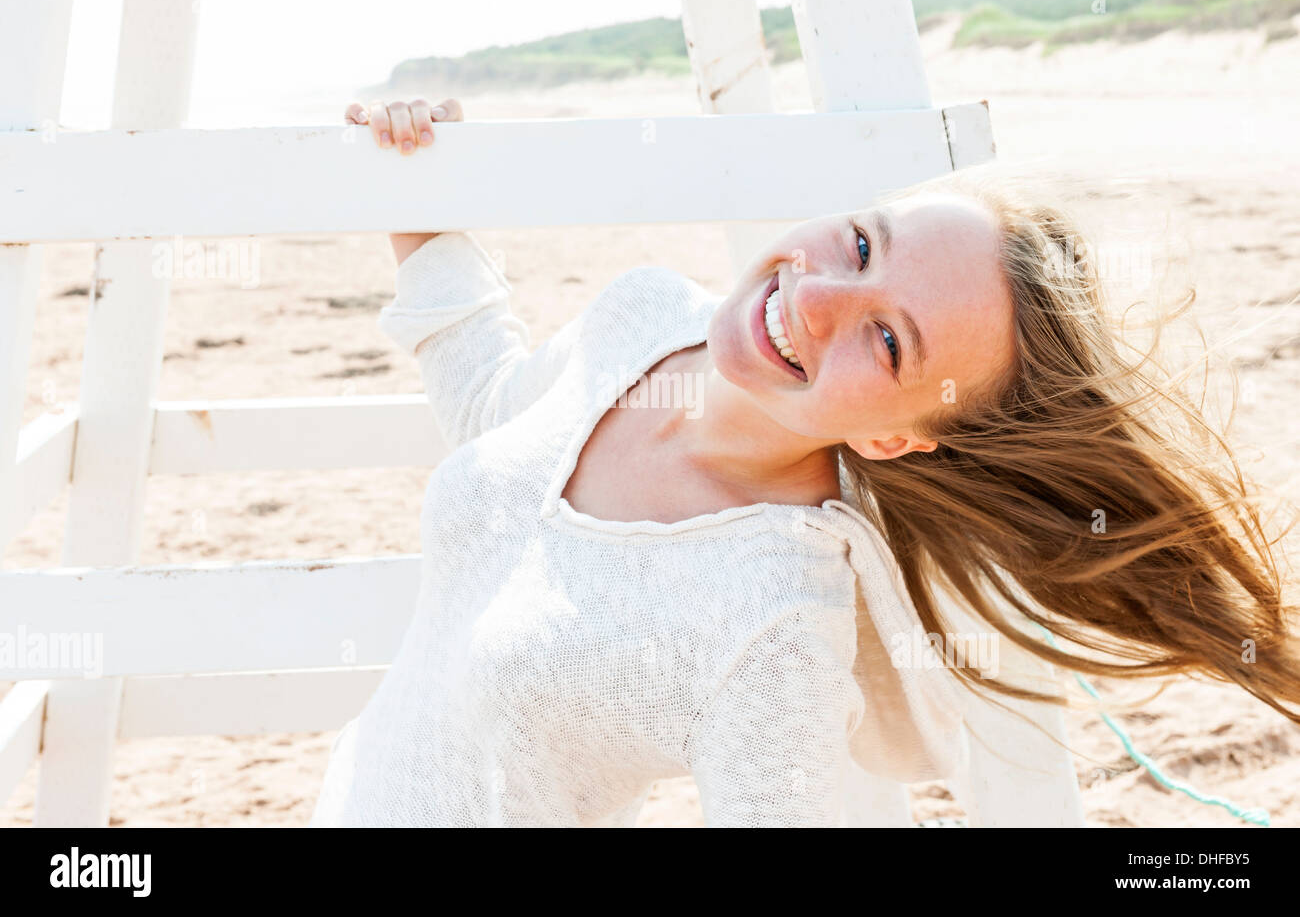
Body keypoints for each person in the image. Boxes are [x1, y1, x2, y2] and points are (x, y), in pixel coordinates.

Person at [308, 96, 1298, 827]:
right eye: (863, 241)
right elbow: (494, 417)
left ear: (893, 436)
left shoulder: (772, 625)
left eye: (889, 342)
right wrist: (420, 209)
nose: (819, 295)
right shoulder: (642, 317)